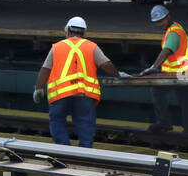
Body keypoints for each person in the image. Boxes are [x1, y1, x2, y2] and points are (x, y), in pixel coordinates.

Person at [33, 16, 125, 149]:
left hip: (60, 94)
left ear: (68, 30)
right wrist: (117, 75)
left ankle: (64, 151)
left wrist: (39, 89)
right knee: (85, 124)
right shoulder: (92, 47)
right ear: (83, 32)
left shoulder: (57, 47)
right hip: (85, 94)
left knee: (57, 121)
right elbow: (106, 64)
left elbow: (45, 70)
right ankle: (84, 154)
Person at [142, 5, 188, 135]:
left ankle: (164, 123)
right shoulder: (176, 28)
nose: (159, 24)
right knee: (185, 100)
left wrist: (153, 67)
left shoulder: (174, 33)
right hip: (182, 70)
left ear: (168, 16)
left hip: (181, 72)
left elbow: (166, 51)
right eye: (157, 22)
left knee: (158, 91)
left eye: (161, 20)